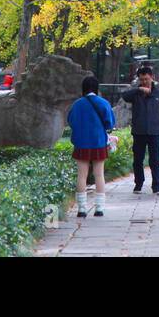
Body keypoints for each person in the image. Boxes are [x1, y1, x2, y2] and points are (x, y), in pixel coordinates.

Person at [68, 75, 115, 217]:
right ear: (96, 88)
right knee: (99, 174)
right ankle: (99, 208)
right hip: (98, 142)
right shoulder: (103, 103)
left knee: (82, 175)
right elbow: (110, 123)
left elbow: (70, 121)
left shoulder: (77, 104)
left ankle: (81, 209)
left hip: (81, 143)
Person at [121, 64, 159, 194]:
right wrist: (139, 90)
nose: (144, 82)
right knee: (138, 160)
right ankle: (138, 183)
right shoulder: (136, 94)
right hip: (139, 132)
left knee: (155, 160)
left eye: (146, 79)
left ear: (152, 78)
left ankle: (156, 186)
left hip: (154, 132)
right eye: (141, 80)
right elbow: (125, 96)